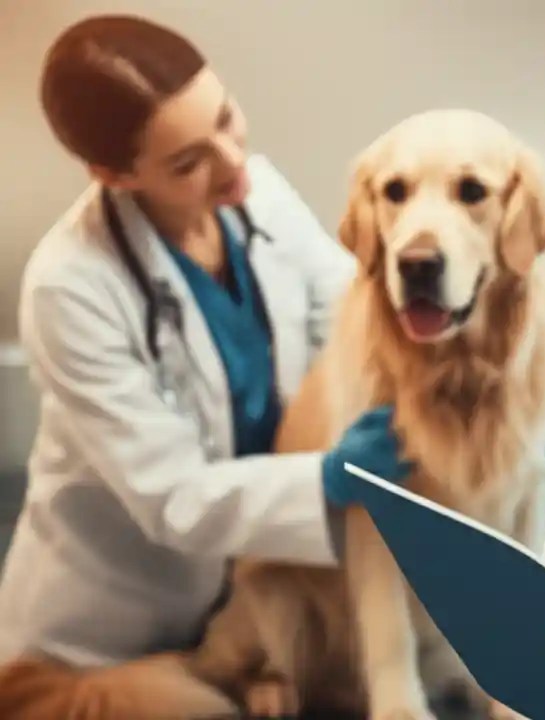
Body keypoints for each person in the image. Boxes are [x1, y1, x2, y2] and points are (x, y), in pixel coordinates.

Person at [0, 13, 411, 681]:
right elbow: (175, 500)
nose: (231, 167)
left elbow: (352, 319)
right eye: (188, 162)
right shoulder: (70, 287)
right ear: (114, 174)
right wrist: (327, 478)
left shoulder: (261, 198)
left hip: (248, 608)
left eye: (225, 117)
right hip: (114, 633)